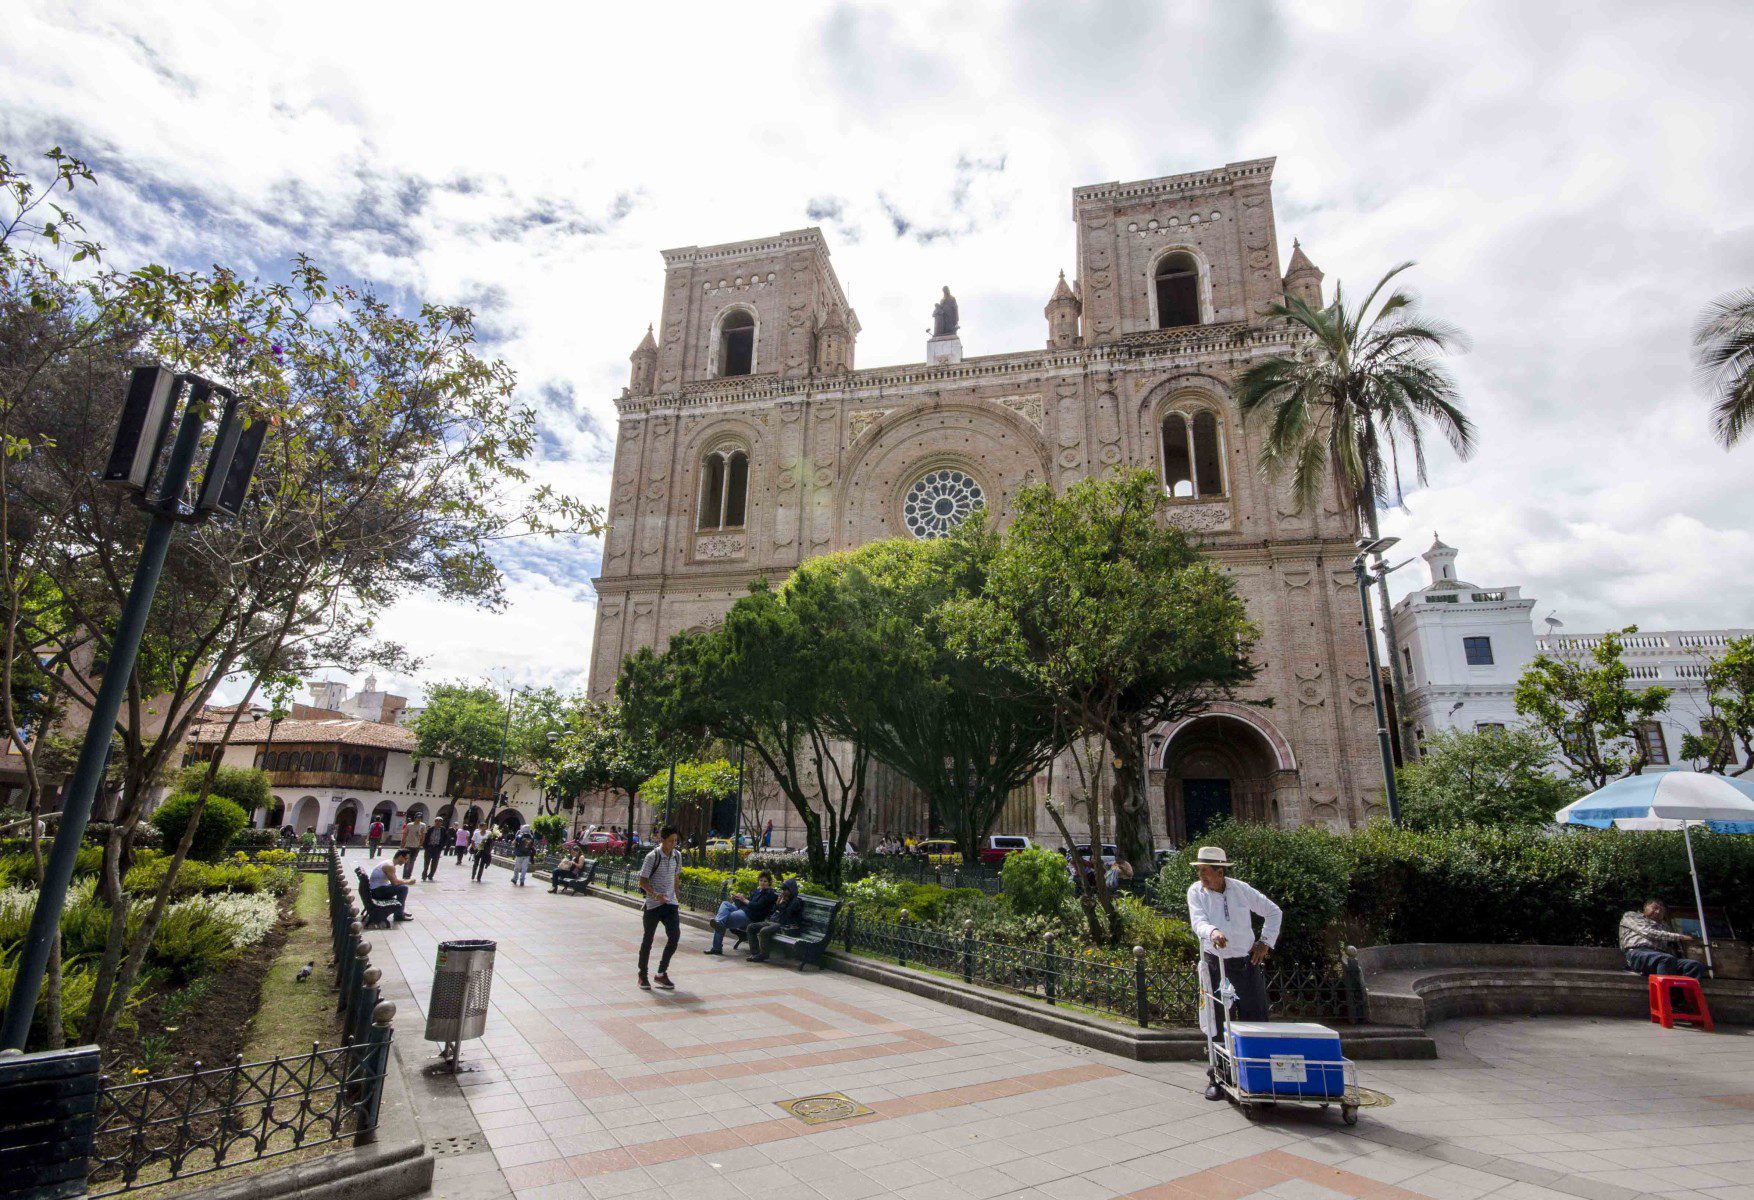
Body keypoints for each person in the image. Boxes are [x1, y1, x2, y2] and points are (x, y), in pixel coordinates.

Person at [1185, 845, 1282, 1102]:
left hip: (1245, 962)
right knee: (1217, 1021)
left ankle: (1257, 1077)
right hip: (1216, 963)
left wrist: (1265, 942)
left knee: (1255, 1017)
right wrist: (1213, 932)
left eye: (1205, 871)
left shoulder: (1240, 889)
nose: (1201, 877)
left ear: (1220, 872)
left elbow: (1273, 912)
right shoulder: (1196, 892)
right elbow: (1198, 922)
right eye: (1199, 871)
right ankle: (1217, 1077)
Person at [637, 825, 683, 990]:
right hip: (653, 904)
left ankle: (661, 973)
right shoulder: (652, 857)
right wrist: (655, 894)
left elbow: (676, 878)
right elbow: (642, 881)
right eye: (671, 841)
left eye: (676, 841)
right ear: (662, 840)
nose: (673, 844)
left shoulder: (677, 856)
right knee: (648, 940)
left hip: (670, 903)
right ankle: (642, 975)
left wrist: (677, 896)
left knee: (674, 937)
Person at [1620, 899, 1707, 980]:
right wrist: (1680, 936)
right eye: (1655, 908)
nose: (1658, 912)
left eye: (1661, 911)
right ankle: (1668, 994)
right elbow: (1648, 932)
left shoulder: (1665, 926)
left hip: (1661, 956)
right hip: (1638, 953)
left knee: (1695, 965)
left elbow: (1670, 944)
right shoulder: (1632, 916)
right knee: (1666, 959)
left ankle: (1682, 994)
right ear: (1645, 907)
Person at [705, 870, 777, 955]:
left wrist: (744, 899)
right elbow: (747, 903)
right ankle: (718, 929)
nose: (762, 883)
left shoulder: (769, 893)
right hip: (744, 910)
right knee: (725, 904)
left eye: (765, 881)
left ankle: (717, 947)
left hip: (750, 917)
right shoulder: (758, 891)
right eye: (761, 880)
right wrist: (738, 898)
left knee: (721, 920)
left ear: (769, 882)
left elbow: (757, 906)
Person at [745, 877, 804, 964]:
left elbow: (787, 916)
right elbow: (774, 911)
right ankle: (755, 953)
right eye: (782, 890)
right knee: (751, 927)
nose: (783, 892)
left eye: (785, 890)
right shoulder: (784, 899)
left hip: (785, 925)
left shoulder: (796, 901)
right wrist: (777, 904)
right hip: (774, 922)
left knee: (764, 931)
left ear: (791, 890)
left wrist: (783, 903)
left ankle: (764, 954)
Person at [367, 849, 417, 922]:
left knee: (400, 887)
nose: (406, 861)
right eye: (405, 859)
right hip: (377, 892)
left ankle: (400, 910)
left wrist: (403, 881)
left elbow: (395, 881)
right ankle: (399, 915)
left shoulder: (388, 863)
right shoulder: (389, 866)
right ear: (400, 857)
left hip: (375, 889)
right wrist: (408, 882)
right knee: (403, 888)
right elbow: (395, 883)